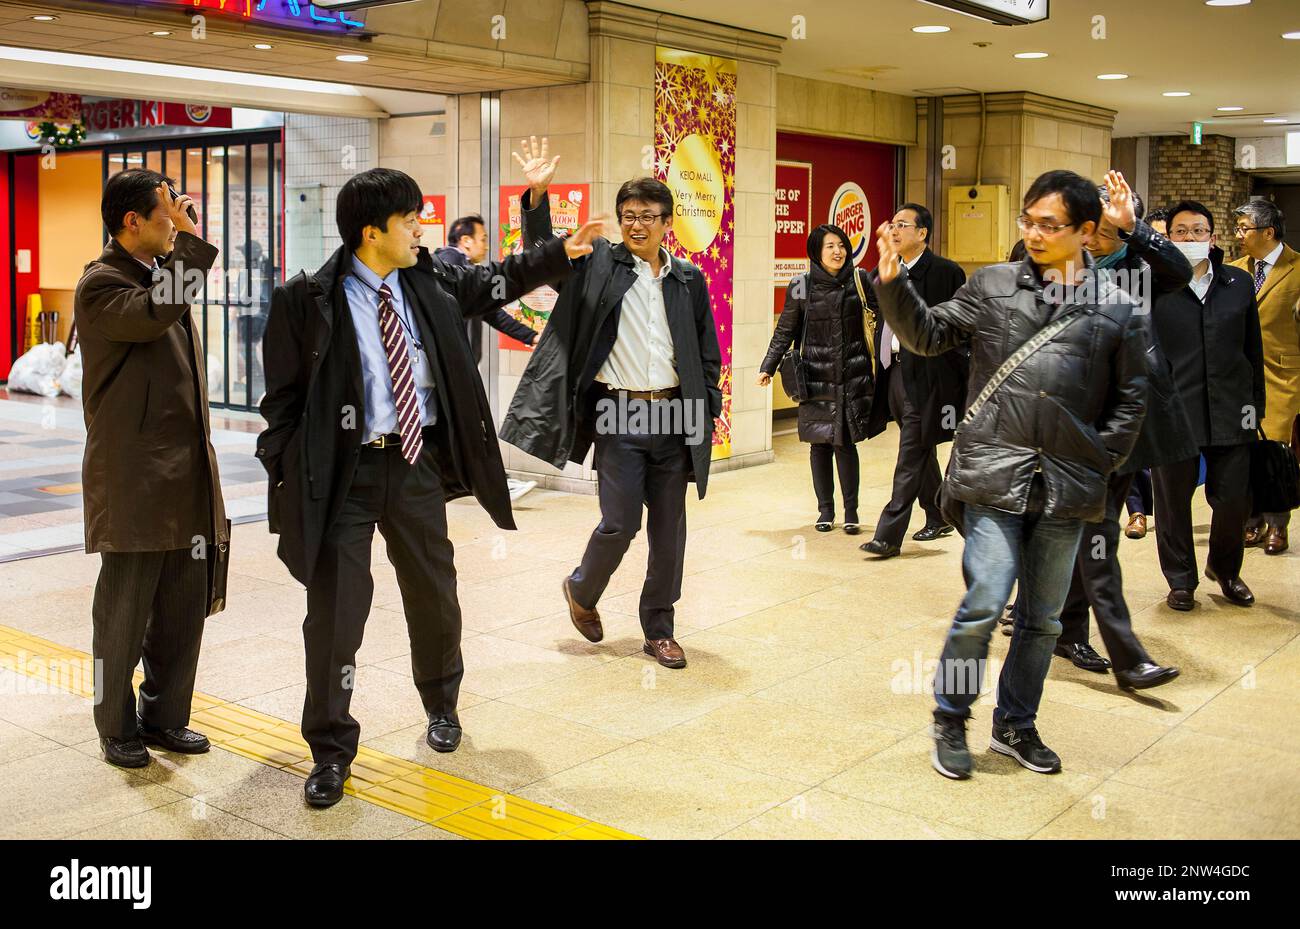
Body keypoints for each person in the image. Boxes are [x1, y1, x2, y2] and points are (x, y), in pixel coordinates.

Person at [258, 167, 600, 807]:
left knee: (433, 592)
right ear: (371, 231)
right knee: (336, 613)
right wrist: (284, 471)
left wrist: (557, 248)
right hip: (347, 475)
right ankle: (331, 749)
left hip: (414, 468)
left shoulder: (434, 280)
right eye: (410, 219)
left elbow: (500, 277)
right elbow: (279, 403)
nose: (422, 228)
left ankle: (442, 705)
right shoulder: (307, 299)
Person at [874, 170, 1147, 779]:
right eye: (1028, 221)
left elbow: (1132, 397)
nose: (1035, 234)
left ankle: (1016, 724)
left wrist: (1101, 457)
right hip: (993, 472)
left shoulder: (1120, 306)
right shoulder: (993, 283)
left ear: (1084, 231)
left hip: (1068, 482)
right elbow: (926, 334)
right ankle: (951, 714)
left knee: (1043, 619)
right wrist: (892, 286)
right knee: (986, 597)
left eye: (1050, 225)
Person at [501, 176, 722, 670]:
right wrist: (537, 201)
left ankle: (659, 630)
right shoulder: (600, 263)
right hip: (618, 414)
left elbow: (708, 351)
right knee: (619, 524)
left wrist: (709, 406)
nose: (636, 224)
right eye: (629, 215)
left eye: (647, 216)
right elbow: (544, 256)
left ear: (667, 223)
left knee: (670, 532)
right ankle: (582, 589)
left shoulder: (688, 279)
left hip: (674, 415)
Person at [75, 169, 228, 769]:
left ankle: (166, 717)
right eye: (169, 212)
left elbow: (166, 302)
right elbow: (153, 313)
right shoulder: (102, 284)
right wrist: (191, 241)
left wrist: (182, 238)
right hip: (134, 477)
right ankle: (114, 726)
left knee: (181, 607)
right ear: (130, 222)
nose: (179, 221)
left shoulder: (157, 276)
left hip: (186, 471)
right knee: (124, 611)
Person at [1035, 172, 1191, 688]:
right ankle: (1125, 656)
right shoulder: (1051, 267)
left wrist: (1135, 229)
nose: (1098, 235)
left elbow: (1179, 270)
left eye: (1108, 226)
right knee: (1096, 534)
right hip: (1075, 423)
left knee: (1092, 534)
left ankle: (1063, 626)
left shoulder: (1137, 266)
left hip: (1128, 423)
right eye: (1094, 225)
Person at [1152, 201, 1265, 609]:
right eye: (1181, 232)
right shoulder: (1154, 286)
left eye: (1198, 231)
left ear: (1213, 238)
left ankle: (1226, 569)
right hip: (1173, 413)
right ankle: (1181, 580)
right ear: (1168, 239)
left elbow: (1253, 350)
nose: (1190, 239)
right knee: (1172, 503)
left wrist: (1257, 408)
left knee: (1234, 500)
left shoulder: (1237, 284)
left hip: (1232, 411)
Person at [757, 224, 878, 534]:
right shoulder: (801, 285)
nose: (838, 251)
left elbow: (878, 322)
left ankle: (851, 512)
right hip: (814, 376)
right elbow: (786, 329)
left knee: (845, 443)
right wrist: (768, 366)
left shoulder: (860, 280)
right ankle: (826, 511)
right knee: (819, 445)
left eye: (841, 245)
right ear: (816, 252)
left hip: (851, 374)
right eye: (830, 246)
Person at [861, 203, 967, 556]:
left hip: (927, 377)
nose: (894, 230)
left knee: (910, 452)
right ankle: (938, 516)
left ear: (922, 234)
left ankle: (888, 535)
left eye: (902, 225)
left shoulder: (945, 272)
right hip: (894, 372)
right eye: (892, 224)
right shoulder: (888, 268)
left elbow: (954, 331)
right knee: (919, 447)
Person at [435, 205, 545, 504]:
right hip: (450, 372)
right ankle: (498, 483)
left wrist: (531, 335)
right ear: (465, 241)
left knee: (464, 431)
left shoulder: (464, 274)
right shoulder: (451, 266)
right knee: (472, 429)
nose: (485, 244)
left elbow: (492, 314)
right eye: (482, 238)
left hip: (458, 370)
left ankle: (479, 483)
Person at [1229, 199, 1300, 555]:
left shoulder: (1298, 269)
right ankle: (1251, 521)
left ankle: (1277, 526)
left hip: (1283, 376)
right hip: (1241, 379)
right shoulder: (1235, 270)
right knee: (1245, 454)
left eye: (1244, 228)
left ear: (1268, 232)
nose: (1238, 235)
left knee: (1274, 454)